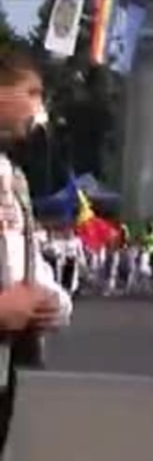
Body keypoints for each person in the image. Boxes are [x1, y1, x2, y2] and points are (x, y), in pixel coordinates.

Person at [0, 44, 73, 455]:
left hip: (6, 362)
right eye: (33, 92)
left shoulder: (12, 176)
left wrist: (52, 302)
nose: (40, 108)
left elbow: (25, 260)